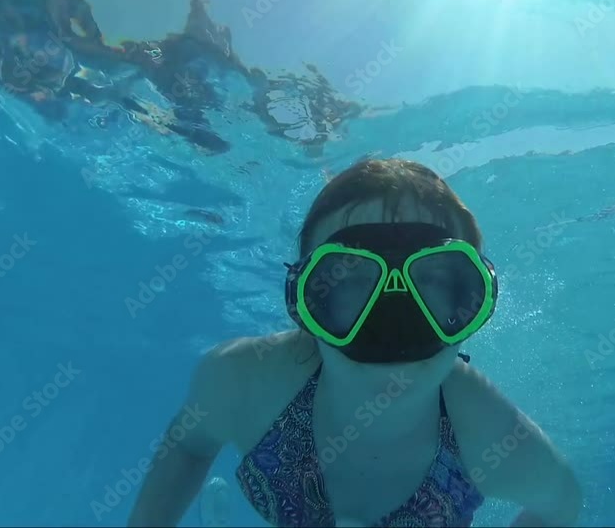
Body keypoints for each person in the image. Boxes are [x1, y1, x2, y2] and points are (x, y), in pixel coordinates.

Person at [128, 159, 582, 527]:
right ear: (305, 305)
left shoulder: (494, 440)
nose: (394, 326)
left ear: (472, 301)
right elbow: (188, 446)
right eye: (349, 280)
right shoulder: (240, 380)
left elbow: (561, 510)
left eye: (435, 281)